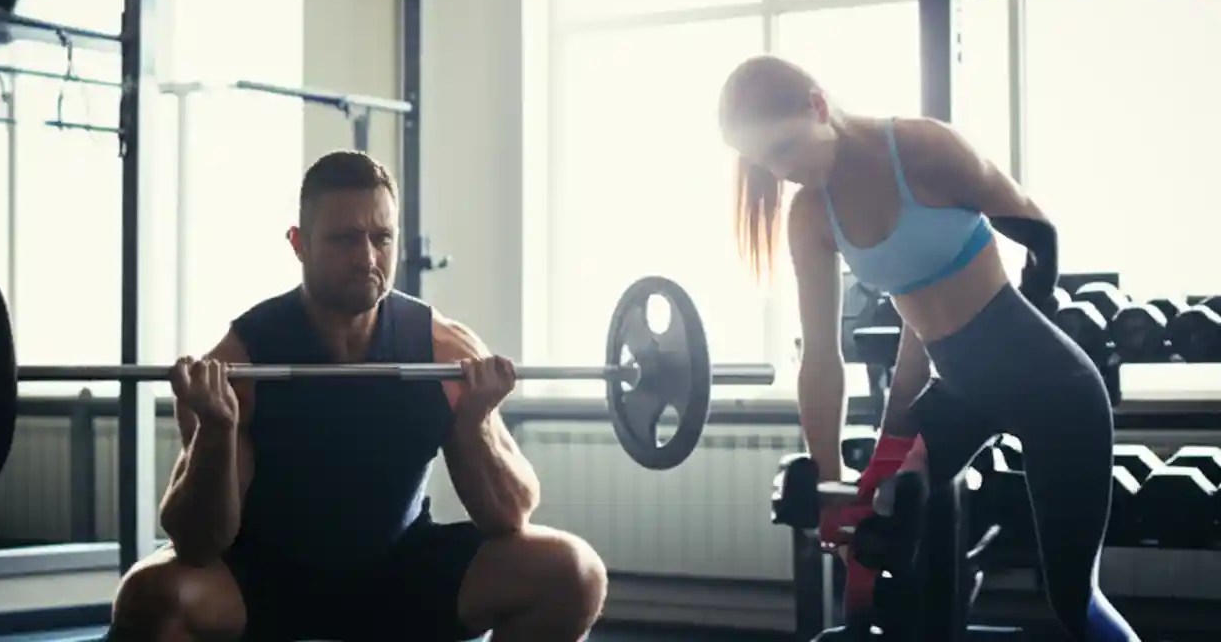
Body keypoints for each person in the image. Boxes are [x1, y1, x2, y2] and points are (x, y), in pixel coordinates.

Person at [717, 55, 1137, 641]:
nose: (783, 172)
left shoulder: (923, 149)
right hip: (961, 391)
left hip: (1055, 393)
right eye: (766, 162)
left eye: (785, 148)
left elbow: (1039, 234)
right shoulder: (811, 213)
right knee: (880, 519)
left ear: (817, 106)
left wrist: (1030, 343)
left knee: (1069, 597)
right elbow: (820, 358)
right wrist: (832, 483)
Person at [109, 151, 608, 642]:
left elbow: (509, 515)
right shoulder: (239, 361)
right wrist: (217, 432)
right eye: (346, 239)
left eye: (381, 237)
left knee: (572, 573)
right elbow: (197, 542)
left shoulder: (443, 351)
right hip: (266, 581)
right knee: (150, 597)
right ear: (299, 243)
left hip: (403, 572)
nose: (368, 257)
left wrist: (474, 421)